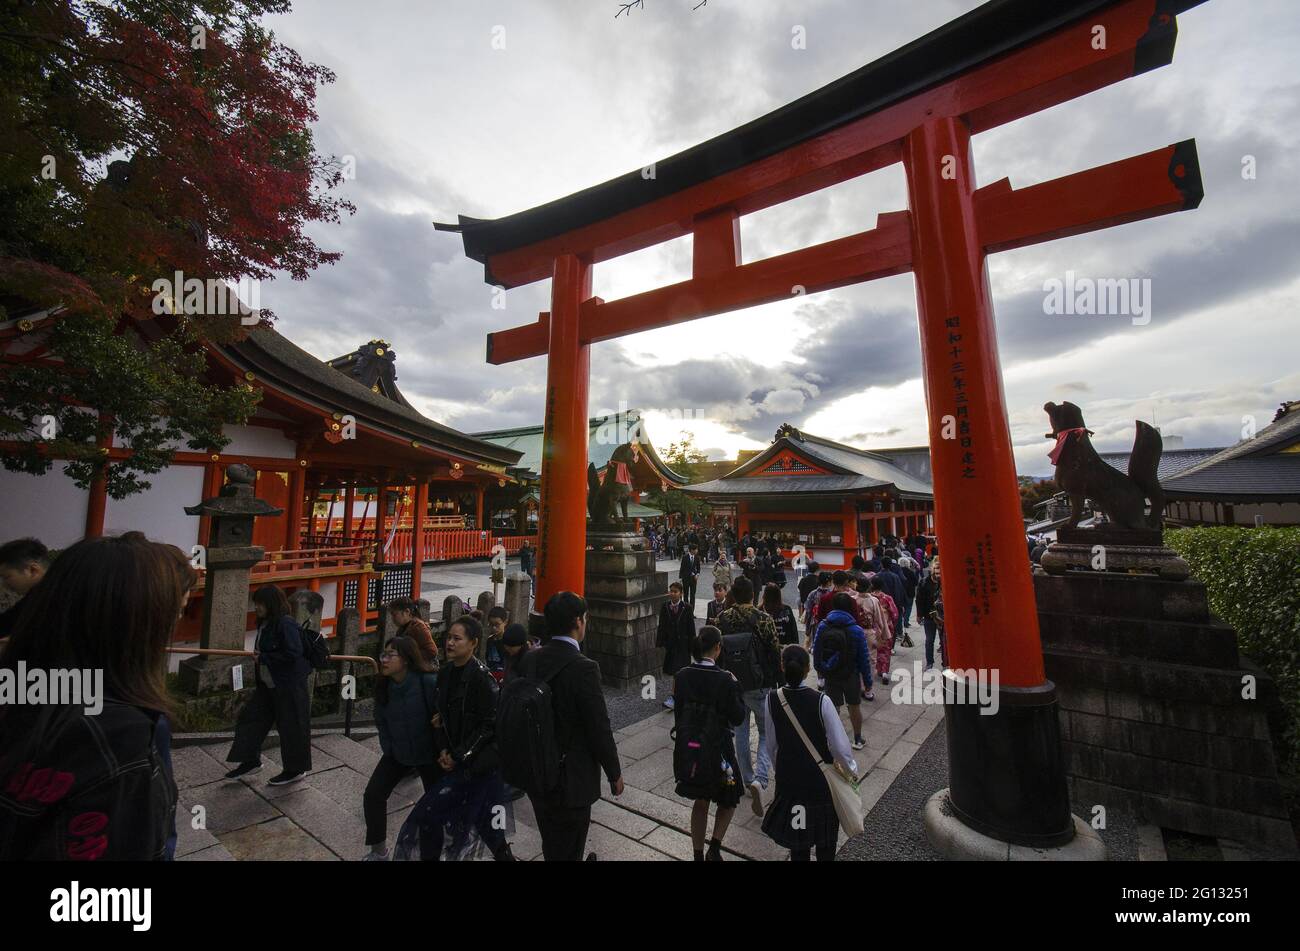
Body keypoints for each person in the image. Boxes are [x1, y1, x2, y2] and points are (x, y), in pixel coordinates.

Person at [0, 532, 193, 860]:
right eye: (169, 615)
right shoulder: (118, 732)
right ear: (131, 622)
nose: (173, 626)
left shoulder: (24, 688)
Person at [515, 592, 623, 860]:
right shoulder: (584, 668)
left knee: (551, 839)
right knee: (570, 845)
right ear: (578, 621)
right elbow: (598, 726)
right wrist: (614, 772)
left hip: (536, 769)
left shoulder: (530, 658)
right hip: (570, 777)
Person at [761, 645, 859, 862]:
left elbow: (771, 744)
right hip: (820, 783)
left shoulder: (772, 700)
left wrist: (781, 770)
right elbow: (839, 746)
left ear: (782, 666)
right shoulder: (821, 701)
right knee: (826, 844)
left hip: (791, 784)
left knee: (799, 844)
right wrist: (851, 772)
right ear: (807, 670)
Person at [671, 625, 746, 860]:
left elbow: (679, 712)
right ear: (717, 648)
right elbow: (738, 716)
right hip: (719, 747)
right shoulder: (726, 679)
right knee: (730, 798)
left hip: (690, 746)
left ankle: (697, 854)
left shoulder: (681, 675)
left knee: (700, 800)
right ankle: (715, 845)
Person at [225, 585, 313, 785]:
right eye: (255, 603)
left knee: (292, 727)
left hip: (288, 684)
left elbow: (294, 652)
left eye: (260, 603)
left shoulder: (285, 623)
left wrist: (264, 657)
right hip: (267, 684)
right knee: (250, 719)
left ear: (271, 604)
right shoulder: (265, 623)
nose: (256, 607)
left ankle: (295, 769)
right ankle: (250, 760)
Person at [364, 635, 440, 860]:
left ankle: (435, 852)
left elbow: (440, 715)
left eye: (390, 655)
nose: (384, 660)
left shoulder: (427, 682)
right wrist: (388, 747)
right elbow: (381, 720)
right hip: (397, 753)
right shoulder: (384, 685)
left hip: (429, 755)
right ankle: (378, 851)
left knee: (435, 805)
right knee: (373, 795)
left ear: (406, 659)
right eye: (383, 655)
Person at [715, 576, 781, 819]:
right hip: (759, 683)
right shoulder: (763, 619)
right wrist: (778, 679)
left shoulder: (722, 618)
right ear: (753, 594)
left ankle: (746, 777)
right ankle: (760, 779)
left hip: (734, 684)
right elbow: (775, 650)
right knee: (765, 732)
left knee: (741, 732)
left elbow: (717, 651)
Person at [812, 593, 873, 749]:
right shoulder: (856, 630)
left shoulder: (824, 626)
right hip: (851, 673)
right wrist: (867, 682)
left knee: (833, 708)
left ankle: (832, 739)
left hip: (830, 672)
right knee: (854, 706)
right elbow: (864, 658)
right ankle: (858, 739)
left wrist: (820, 669)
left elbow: (817, 649)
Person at [656, 581, 696, 710]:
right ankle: (679, 696)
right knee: (675, 672)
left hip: (683, 644)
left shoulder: (687, 607)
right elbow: (661, 625)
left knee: (679, 671)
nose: (673, 594)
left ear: (681, 593)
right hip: (671, 645)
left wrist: (693, 646)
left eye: (675, 591)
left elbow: (691, 628)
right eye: (671, 591)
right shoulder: (665, 606)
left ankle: (675, 697)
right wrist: (660, 642)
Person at [0, 537, 48, 636]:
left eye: (7, 577)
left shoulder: (51, 598)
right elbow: (7, 622)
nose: (4, 584)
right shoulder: (34, 595)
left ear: (33, 570)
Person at [388, 596, 437, 666]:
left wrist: (410, 655)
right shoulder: (403, 628)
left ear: (407, 612)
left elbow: (432, 651)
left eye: (394, 615)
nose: (392, 618)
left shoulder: (418, 627)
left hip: (420, 670)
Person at [917, 559, 945, 670]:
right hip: (929, 616)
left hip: (942, 617)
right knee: (929, 640)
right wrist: (919, 615)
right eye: (936, 573)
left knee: (943, 641)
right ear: (932, 571)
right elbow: (919, 600)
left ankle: (945, 662)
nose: (938, 575)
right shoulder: (924, 582)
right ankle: (929, 662)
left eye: (939, 573)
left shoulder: (944, 582)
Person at [802, 570, 833, 644]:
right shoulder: (831, 594)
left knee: (816, 641)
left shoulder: (813, 593)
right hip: (829, 621)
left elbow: (808, 610)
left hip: (815, 621)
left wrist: (807, 627)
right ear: (828, 582)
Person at [484, 605, 510, 680]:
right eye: (491, 624)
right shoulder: (490, 640)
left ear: (505, 622)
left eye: (497, 624)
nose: (494, 628)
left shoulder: (508, 641)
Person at [679, 543, 702, 608]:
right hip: (686, 578)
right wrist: (680, 577)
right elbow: (682, 568)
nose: (697, 551)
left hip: (693, 579)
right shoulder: (685, 557)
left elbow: (698, 568)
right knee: (685, 595)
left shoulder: (697, 558)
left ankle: (692, 611)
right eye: (696, 549)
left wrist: (697, 574)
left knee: (693, 595)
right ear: (692, 550)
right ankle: (686, 609)